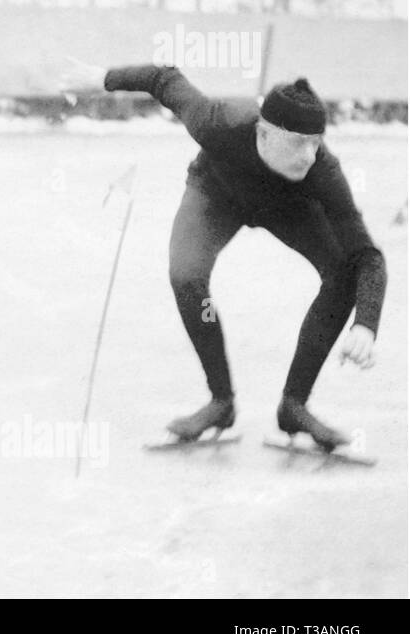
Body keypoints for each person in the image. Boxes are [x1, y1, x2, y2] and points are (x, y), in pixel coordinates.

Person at [67, 61, 384, 450]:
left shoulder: (322, 170)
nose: (308, 154)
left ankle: (294, 407)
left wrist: (366, 324)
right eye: (297, 142)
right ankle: (221, 402)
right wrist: (104, 78)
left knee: (343, 274)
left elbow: (367, 254)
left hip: (289, 207)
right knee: (186, 276)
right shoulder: (218, 122)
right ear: (263, 134)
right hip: (216, 194)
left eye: (316, 142)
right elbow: (163, 78)